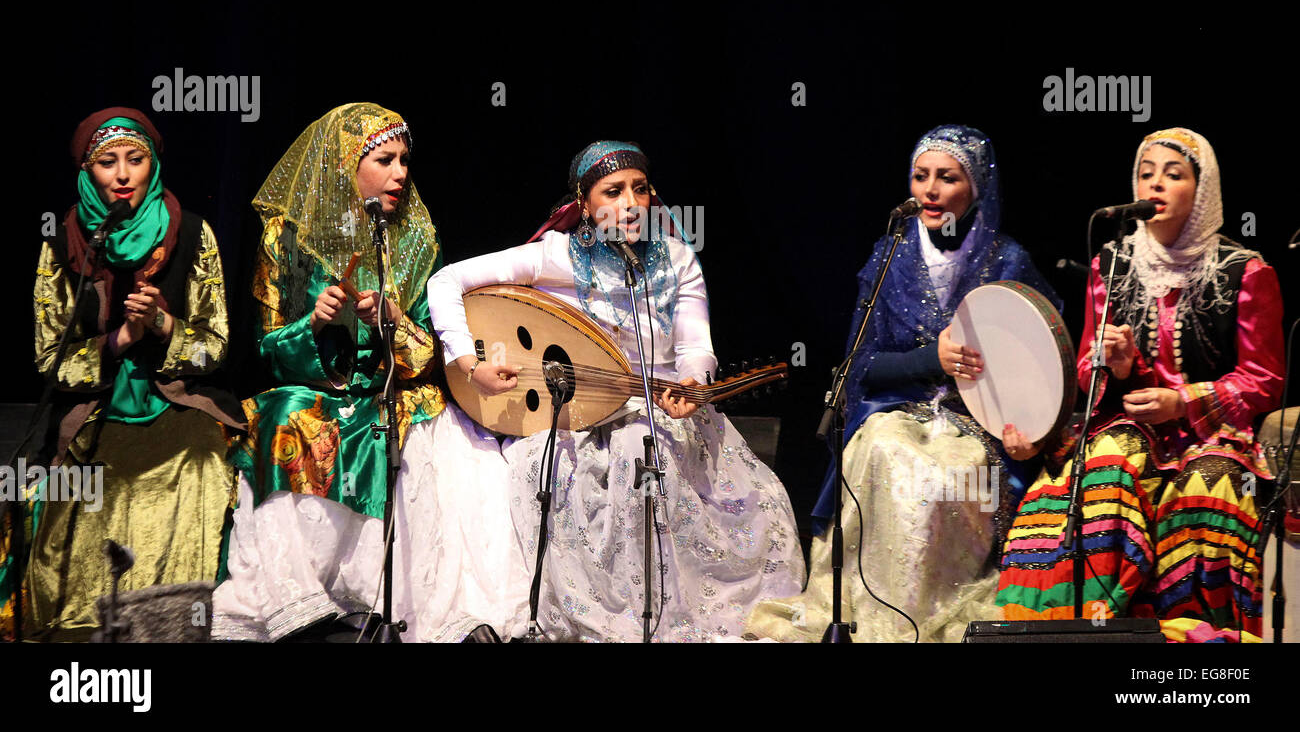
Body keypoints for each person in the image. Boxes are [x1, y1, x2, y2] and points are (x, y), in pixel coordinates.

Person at [427, 140, 804, 641]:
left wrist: (693, 386)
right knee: (574, 460)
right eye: (612, 191)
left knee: (652, 450)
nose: (630, 203)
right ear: (584, 205)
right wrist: (469, 363)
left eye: (640, 189)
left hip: (667, 408)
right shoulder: (558, 256)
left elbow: (696, 349)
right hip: (579, 413)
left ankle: (680, 611)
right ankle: (614, 611)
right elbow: (447, 281)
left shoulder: (677, 258)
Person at [212, 103, 529, 642]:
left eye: (405, 160)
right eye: (385, 159)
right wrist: (312, 325)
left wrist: (396, 320)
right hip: (317, 390)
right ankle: (296, 598)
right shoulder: (285, 238)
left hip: (391, 391)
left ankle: (405, 599)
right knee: (286, 415)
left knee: (438, 433)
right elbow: (265, 350)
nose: (400, 172)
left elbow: (430, 354)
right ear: (344, 165)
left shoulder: (415, 239)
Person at [746, 124, 1059, 642]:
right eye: (921, 177)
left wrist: (1025, 424)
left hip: (974, 420)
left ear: (976, 186)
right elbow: (861, 366)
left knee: (951, 472)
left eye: (947, 178)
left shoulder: (1006, 260)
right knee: (888, 453)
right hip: (896, 411)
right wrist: (929, 359)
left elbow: (1040, 365)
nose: (931, 191)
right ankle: (878, 616)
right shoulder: (890, 254)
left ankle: (932, 607)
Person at [997, 128, 1284, 642]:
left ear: (1203, 191)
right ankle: (1085, 631)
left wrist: (1182, 400)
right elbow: (1085, 369)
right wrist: (1120, 366)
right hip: (1128, 425)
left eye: (1174, 175)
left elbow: (1264, 379)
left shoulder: (1245, 271)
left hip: (1209, 434)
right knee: (1099, 474)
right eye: (1146, 174)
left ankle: (1199, 652)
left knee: (1208, 490)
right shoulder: (1112, 265)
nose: (1156, 185)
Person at [0, 108, 243, 641]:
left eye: (136, 160)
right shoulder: (61, 241)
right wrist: (117, 342)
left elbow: (217, 345)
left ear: (153, 164)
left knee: (199, 470)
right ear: (88, 172)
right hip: (95, 408)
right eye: (108, 163)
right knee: (77, 496)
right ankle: (79, 633)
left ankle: (176, 622)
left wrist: (164, 326)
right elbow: (49, 359)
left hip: (177, 400)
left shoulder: (194, 233)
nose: (124, 175)